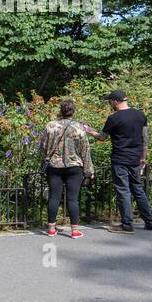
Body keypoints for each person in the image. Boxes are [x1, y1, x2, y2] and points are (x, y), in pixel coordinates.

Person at [89, 90, 152, 233]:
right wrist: (143, 157)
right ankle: (150, 222)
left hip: (120, 158)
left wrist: (90, 131)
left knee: (123, 190)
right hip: (135, 158)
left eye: (110, 101)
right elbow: (145, 138)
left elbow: (102, 137)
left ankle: (127, 224)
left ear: (115, 101)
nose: (109, 104)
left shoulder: (113, 118)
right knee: (138, 189)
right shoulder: (140, 115)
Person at [40, 98, 94, 238]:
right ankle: (74, 231)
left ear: (60, 110)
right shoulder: (79, 127)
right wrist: (89, 171)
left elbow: (43, 146)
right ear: (73, 111)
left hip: (54, 166)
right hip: (74, 167)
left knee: (54, 197)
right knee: (72, 199)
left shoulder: (50, 126)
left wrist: (47, 157)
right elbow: (85, 151)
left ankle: (51, 229)